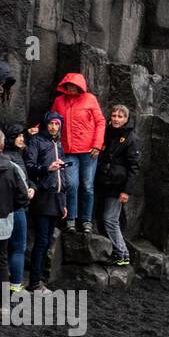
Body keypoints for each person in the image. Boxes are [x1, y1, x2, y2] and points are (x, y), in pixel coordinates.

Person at [48, 73, 105, 233]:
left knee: (87, 186)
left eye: (74, 85)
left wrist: (97, 144)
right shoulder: (59, 100)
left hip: (89, 151)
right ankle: (71, 219)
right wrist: (37, 129)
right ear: (64, 85)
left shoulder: (90, 99)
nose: (71, 87)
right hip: (68, 150)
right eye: (68, 85)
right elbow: (51, 120)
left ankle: (86, 220)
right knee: (72, 185)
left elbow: (100, 122)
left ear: (80, 86)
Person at [22, 111, 67, 292]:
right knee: (41, 241)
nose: (54, 127)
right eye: (51, 124)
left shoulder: (59, 144)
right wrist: (47, 169)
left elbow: (62, 175)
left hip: (56, 199)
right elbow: (29, 168)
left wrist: (63, 202)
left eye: (57, 124)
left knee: (47, 241)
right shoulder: (36, 141)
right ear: (45, 124)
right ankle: (34, 283)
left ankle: (39, 280)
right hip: (42, 197)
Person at [0, 128, 30, 300]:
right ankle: (3, 303)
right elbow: (23, 196)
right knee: (1, 261)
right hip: (2, 222)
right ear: (2, 146)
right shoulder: (13, 168)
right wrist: (9, 208)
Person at [95, 105, 140, 268]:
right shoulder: (106, 132)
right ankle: (119, 253)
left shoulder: (131, 138)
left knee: (110, 219)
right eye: (114, 115)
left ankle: (122, 253)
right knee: (104, 219)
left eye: (120, 117)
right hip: (102, 182)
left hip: (117, 185)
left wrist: (126, 191)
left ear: (126, 119)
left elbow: (134, 168)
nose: (116, 119)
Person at [3, 124, 33, 295]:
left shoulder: (16, 154)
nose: (22, 139)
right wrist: (25, 195)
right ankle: (15, 284)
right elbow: (15, 185)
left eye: (23, 135)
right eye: (18, 136)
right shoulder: (10, 158)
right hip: (16, 208)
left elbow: (26, 179)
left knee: (2, 247)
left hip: (2, 209)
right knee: (18, 247)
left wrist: (32, 187)